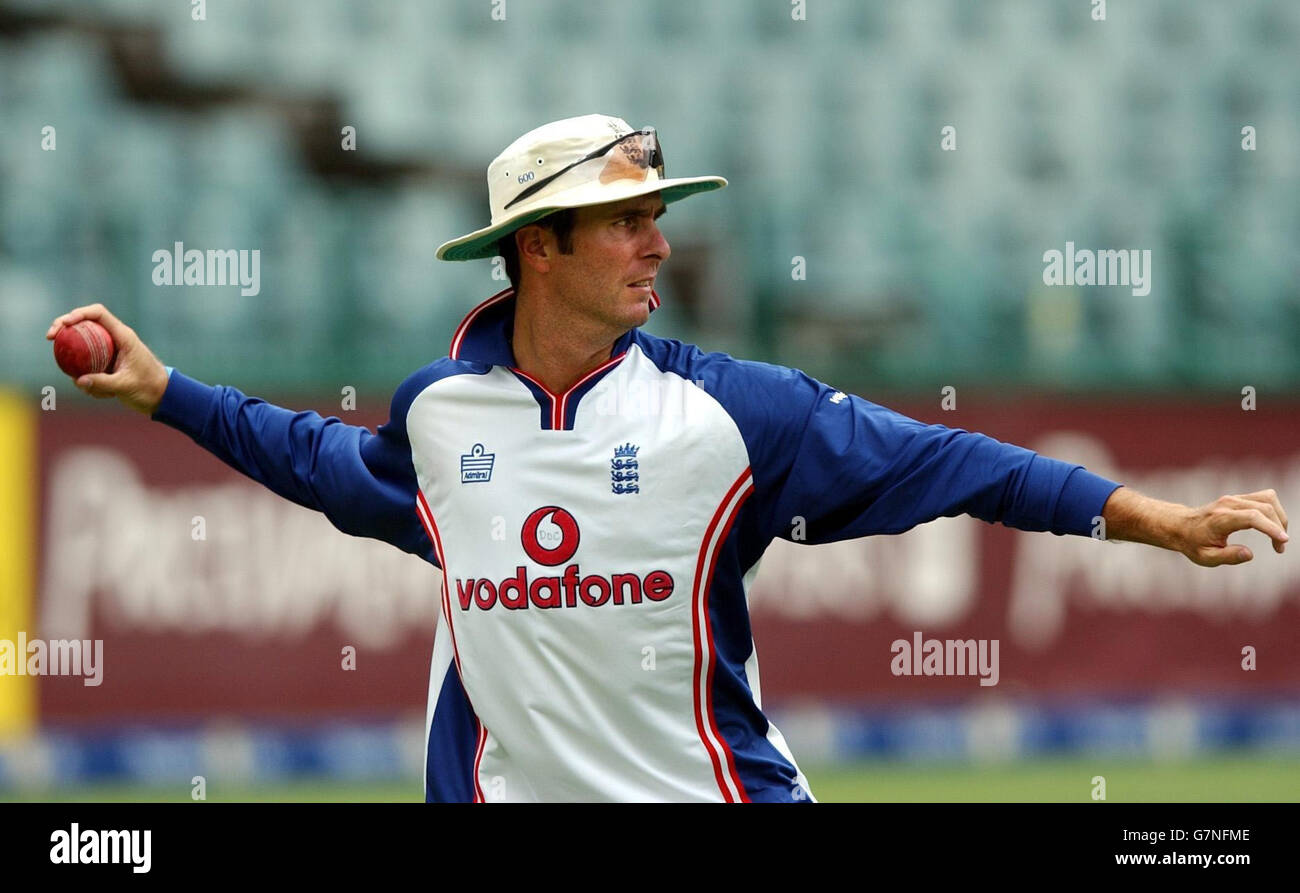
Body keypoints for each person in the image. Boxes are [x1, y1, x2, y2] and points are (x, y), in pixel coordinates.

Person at [46, 114, 1289, 803]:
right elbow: (309, 455)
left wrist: (1156, 522)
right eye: (627, 221)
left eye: (658, 218)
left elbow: (957, 464)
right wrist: (163, 393)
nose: (657, 243)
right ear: (540, 246)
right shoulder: (439, 417)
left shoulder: (731, 415)